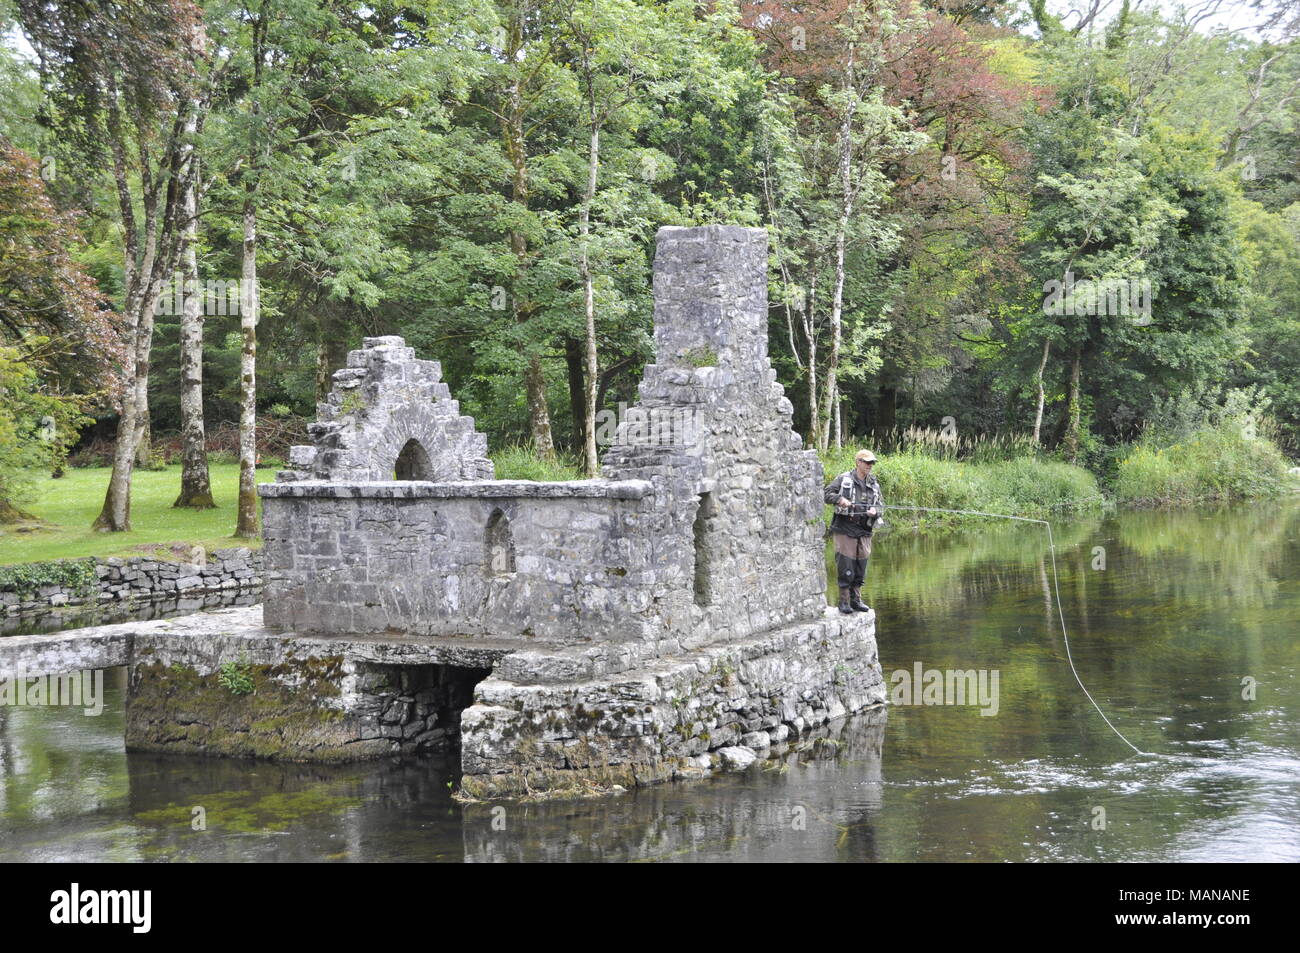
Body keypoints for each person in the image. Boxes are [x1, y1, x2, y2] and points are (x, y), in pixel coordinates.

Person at [823, 449, 885, 615]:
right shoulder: (844, 479)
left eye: (872, 463)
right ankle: (844, 601)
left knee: (860, 566)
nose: (870, 465)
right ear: (858, 462)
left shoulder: (874, 483)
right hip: (845, 528)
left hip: (865, 530)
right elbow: (826, 493)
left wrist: (875, 511)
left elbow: (881, 506)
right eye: (867, 462)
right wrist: (840, 499)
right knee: (846, 566)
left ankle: (856, 600)